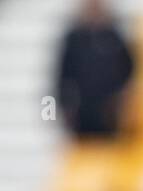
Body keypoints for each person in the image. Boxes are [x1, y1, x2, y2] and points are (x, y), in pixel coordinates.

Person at [55, 0, 135, 139]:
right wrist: (64, 110)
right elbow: (62, 78)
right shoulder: (74, 39)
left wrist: (122, 104)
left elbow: (130, 72)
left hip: (110, 116)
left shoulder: (114, 36)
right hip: (82, 117)